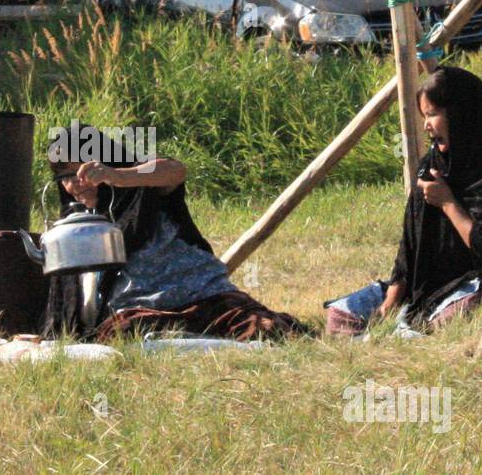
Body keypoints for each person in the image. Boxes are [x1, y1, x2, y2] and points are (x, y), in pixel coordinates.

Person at [326, 66, 482, 336]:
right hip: (436, 286)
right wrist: (390, 301)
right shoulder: (434, 165)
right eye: (424, 116)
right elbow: (411, 246)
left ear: (461, 114)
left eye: (433, 114)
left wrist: (448, 203)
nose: (426, 125)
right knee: (341, 315)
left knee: (453, 318)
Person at [42, 123, 309, 342]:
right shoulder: (76, 228)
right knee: (124, 338)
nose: (75, 183)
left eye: (82, 170)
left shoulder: (142, 188)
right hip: (141, 311)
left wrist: (119, 176)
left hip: (203, 295)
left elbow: (175, 169)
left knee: (263, 330)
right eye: (65, 176)